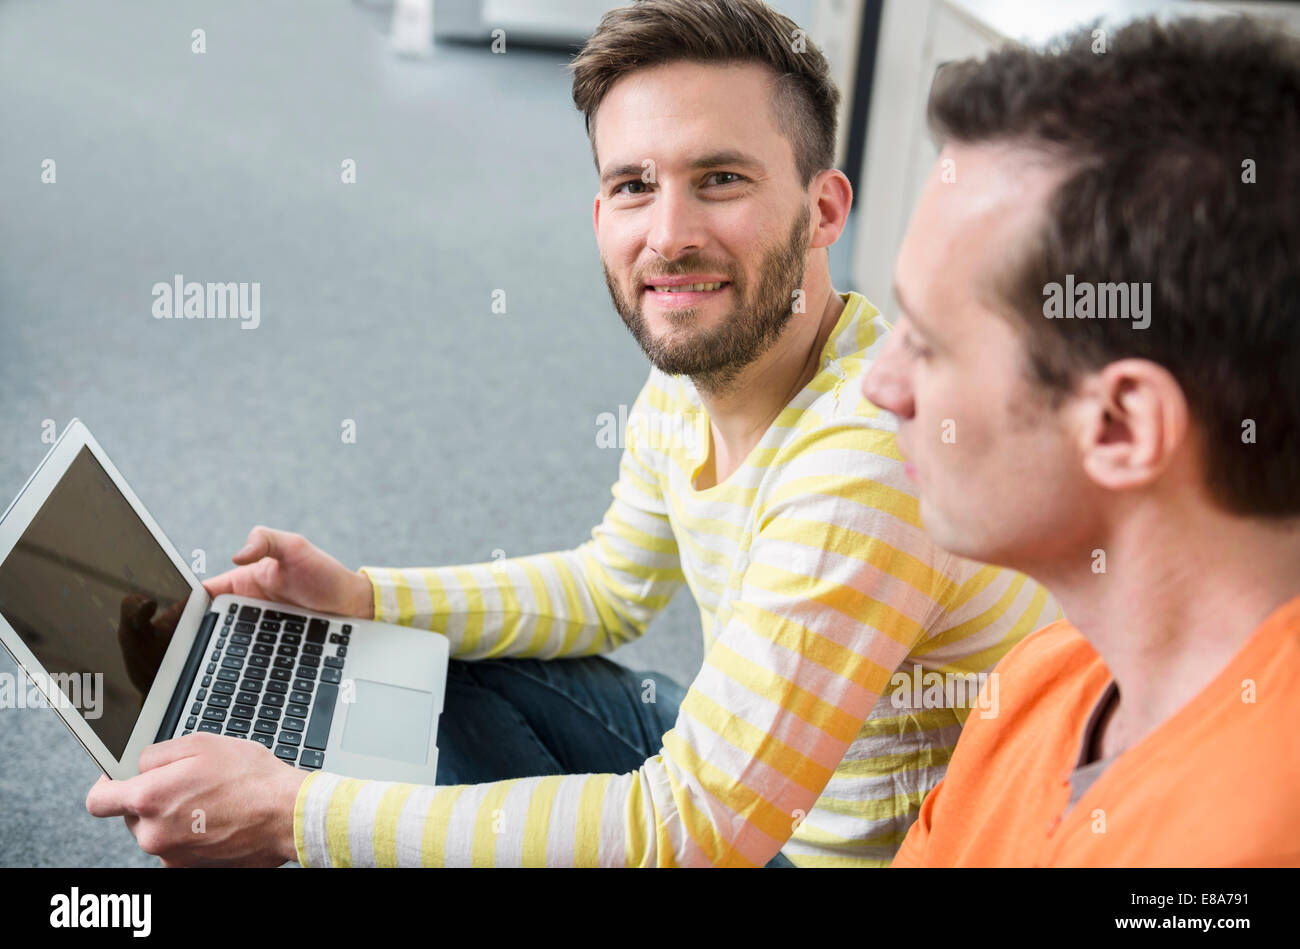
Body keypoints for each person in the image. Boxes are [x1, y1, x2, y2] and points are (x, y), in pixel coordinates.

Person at [85, 0, 1056, 868]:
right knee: (426, 668)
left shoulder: (863, 460)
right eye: (634, 185)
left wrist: (299, 814)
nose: (669, 234)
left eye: (719, 179)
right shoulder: (706, 366)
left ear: (822, 210)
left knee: (400, 771)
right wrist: (363, 596)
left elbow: (691, 832)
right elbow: (610, 586)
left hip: (805, 848)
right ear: (600, 214)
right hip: (753, 784)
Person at [861, 14, 1300, 866]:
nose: (882, 384)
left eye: (925, 339)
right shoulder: (1048, 677)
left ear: (1122, 426)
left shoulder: (1247, 838)